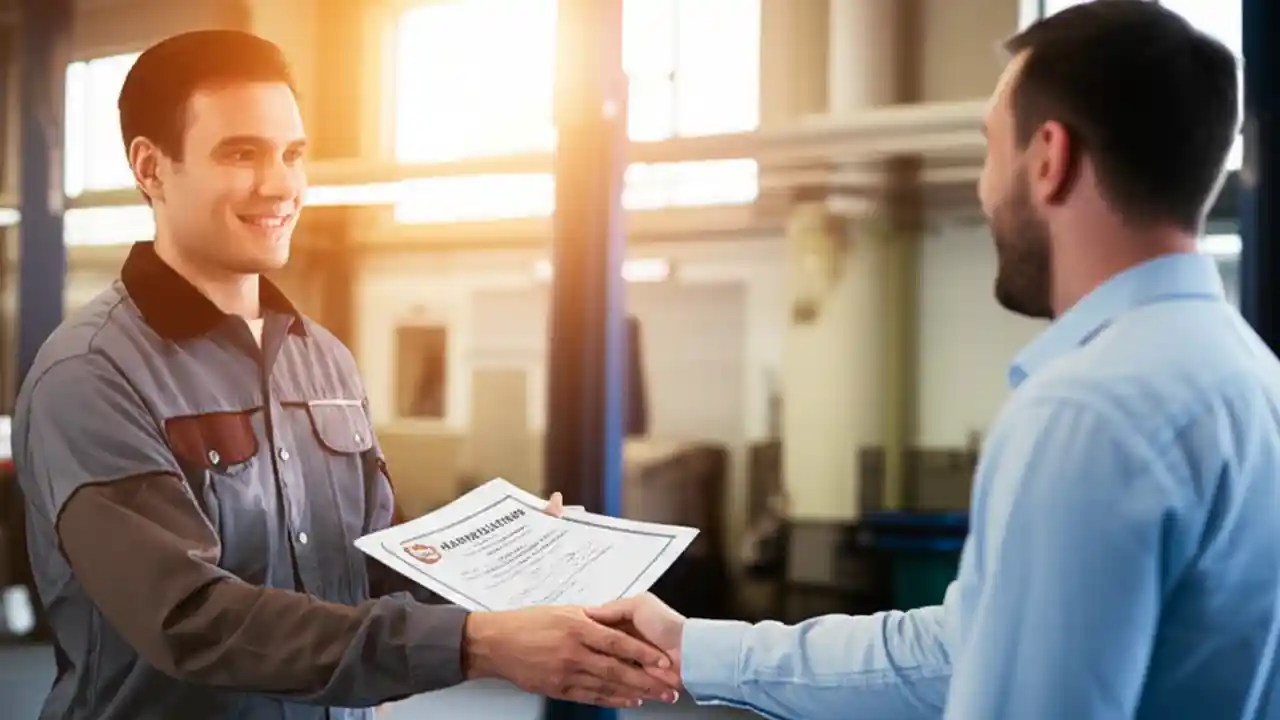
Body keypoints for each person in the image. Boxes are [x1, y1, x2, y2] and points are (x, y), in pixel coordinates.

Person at [590, 3, 1276, 719]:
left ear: (1048, 158)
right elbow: (963, 652)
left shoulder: (1091, 409)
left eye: (989, 150)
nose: (984, 190)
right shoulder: (1250, 377)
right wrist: (692, 648)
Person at [13, 30, 677, 720]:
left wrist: (506, 567)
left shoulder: (321, 358)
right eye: (241, 153)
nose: (280, 185)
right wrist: (473, 644)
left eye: (292, 154)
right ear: (151, 168)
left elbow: (367, 561)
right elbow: (192, 619)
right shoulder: (91, 377)